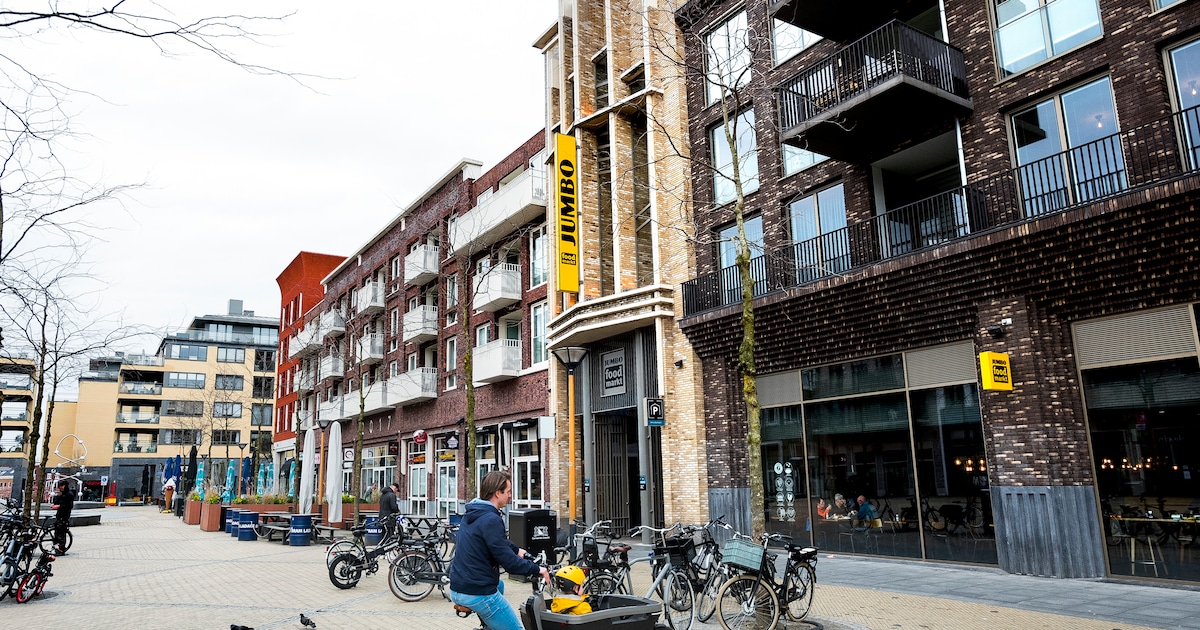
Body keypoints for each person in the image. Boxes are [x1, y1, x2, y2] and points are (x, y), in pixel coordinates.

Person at [449, 470, 550, 630]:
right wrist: (538, 569)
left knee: (500, 585)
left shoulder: (474, 513)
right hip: (477, 592)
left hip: (458, 587)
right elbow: (510, 564)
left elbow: (496, 542)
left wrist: (517, 550)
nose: (510, 495)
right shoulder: (491, 519)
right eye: (508, 491)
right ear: (497, 493)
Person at [50, 479, 75, 555]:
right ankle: (57, 547)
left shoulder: (69, 495)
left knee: (61, 532)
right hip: (59, 515)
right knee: (57, 531)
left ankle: (61, 549)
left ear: (65, 486)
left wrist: (58, 506)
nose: (60, 488)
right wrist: (55, 502)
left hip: (64, 516)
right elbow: (58, 500)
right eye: (60, 486)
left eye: (61, 486)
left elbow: (68, 506)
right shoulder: (63, 494)